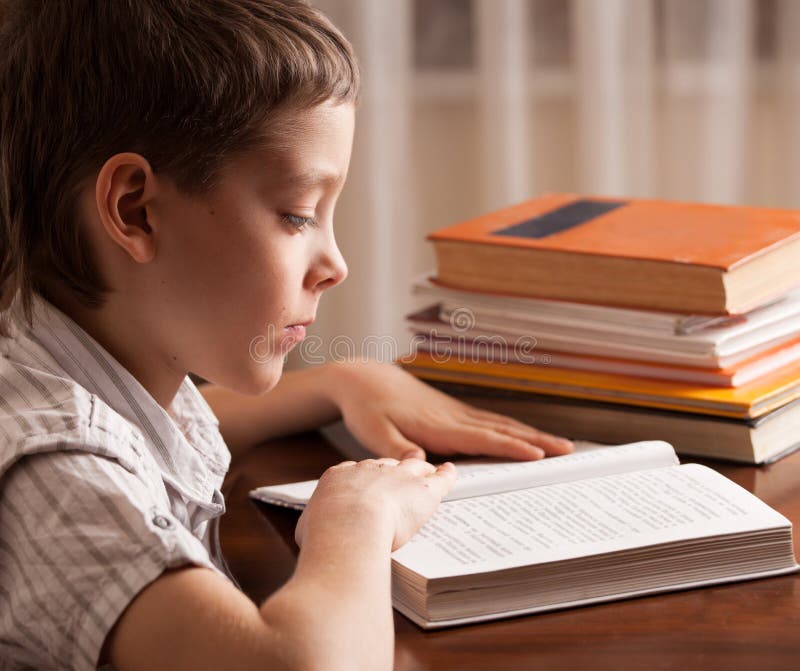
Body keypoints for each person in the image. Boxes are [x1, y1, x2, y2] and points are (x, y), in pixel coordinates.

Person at [0, 1, 573, 669]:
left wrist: (336, 380)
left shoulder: (57, 360)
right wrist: (353, 523)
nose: (336, 265)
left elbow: (137, 431)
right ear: (136, 209)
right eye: (298, 215)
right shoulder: (55, 478)